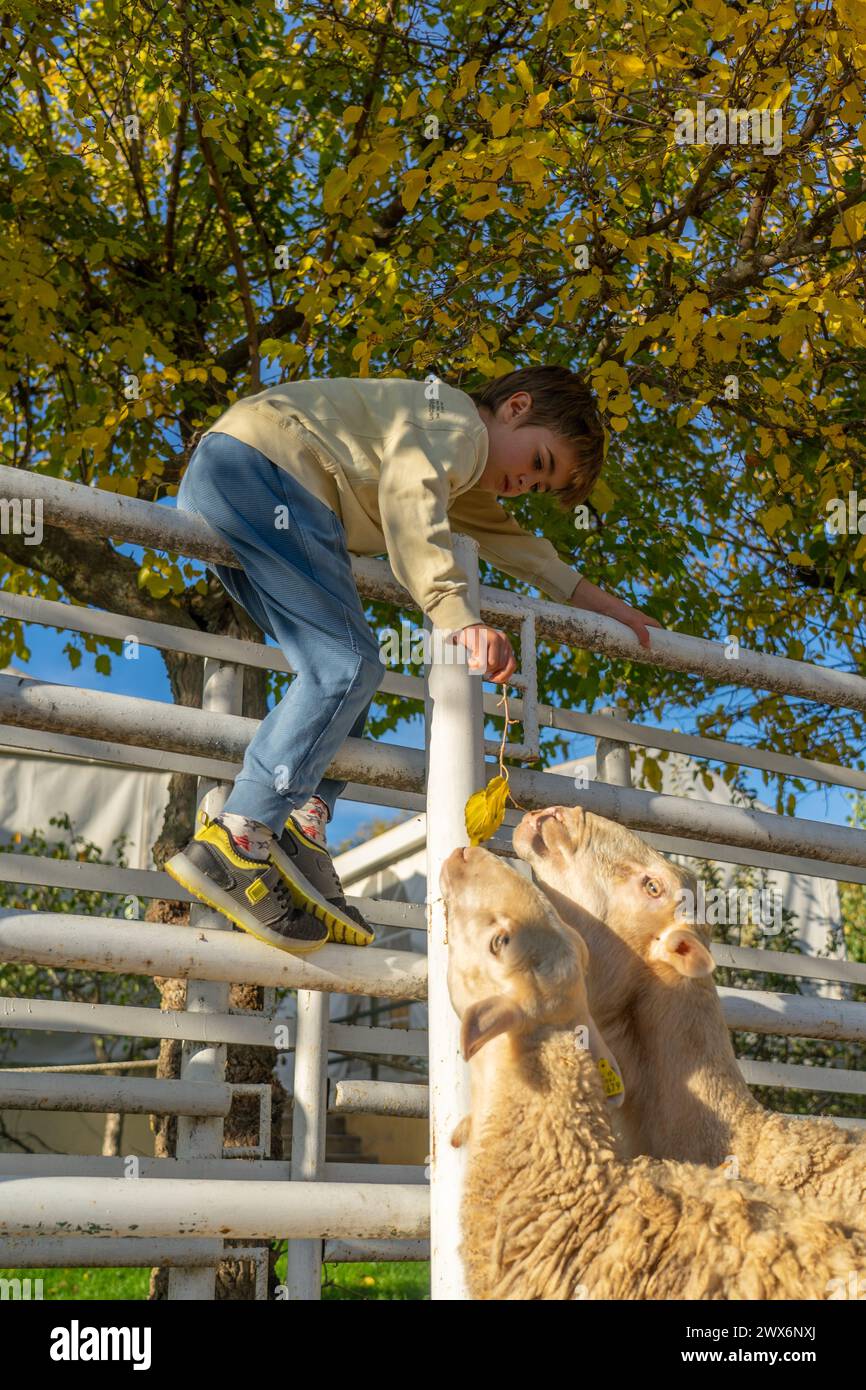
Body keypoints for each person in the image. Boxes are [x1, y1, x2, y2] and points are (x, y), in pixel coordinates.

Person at [165, 366, 660, 954]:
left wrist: (612, 609)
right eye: (539, 462)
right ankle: (238, 837)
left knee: (343, 681)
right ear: (515, 407)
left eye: (537, 487)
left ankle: (302, 822)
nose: (524, 482)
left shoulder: (469, 473)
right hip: (272, 472)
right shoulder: (456, 422)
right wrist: (460, 616)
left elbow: (524, 552)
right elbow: (408, 490)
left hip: (232, 472)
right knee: (346, 666)